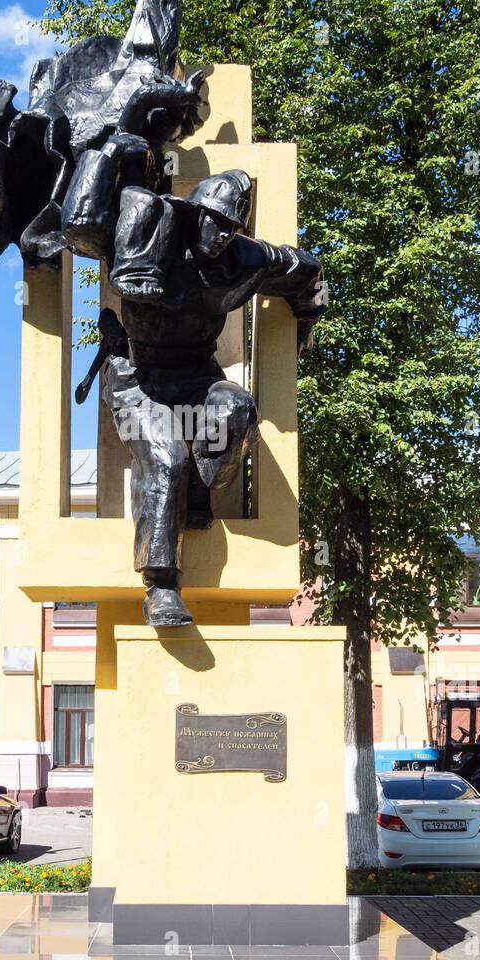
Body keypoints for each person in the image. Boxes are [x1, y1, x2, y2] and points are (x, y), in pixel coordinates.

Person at [100, 169, 327, 626]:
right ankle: (161, 586)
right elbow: (81, 228)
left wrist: (305, 324)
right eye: (213, 220)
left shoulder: (245, 260)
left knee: (238, 410)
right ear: (194, 211)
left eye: (231, 226)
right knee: (166, 461)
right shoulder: (145, 239)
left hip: (198, 378)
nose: (220, 233)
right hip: (138, 380)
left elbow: (308, 271)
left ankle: (196, 493)